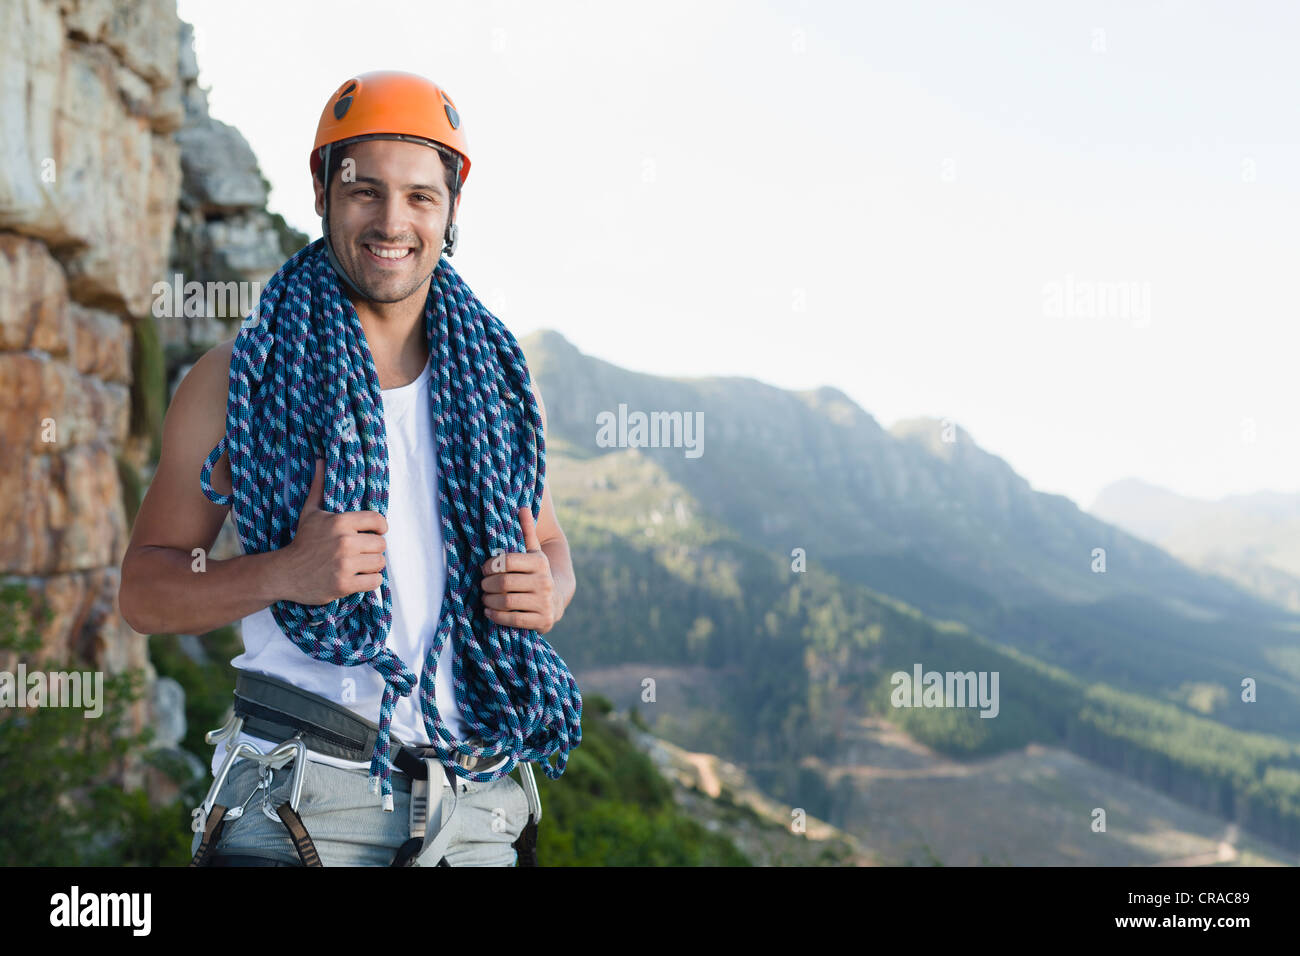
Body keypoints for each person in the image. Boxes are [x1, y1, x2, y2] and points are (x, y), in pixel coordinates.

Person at [119, 71, 579, 866]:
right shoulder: (238, 379)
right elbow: (145, 593)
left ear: (452, 208)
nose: (391, 221)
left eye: (420, 197)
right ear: (323, 191)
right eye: (364, 191)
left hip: (476, 810)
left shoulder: (496, 380)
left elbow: (552, 548)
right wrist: (286, 572)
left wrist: (551, 589)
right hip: (298, 803)